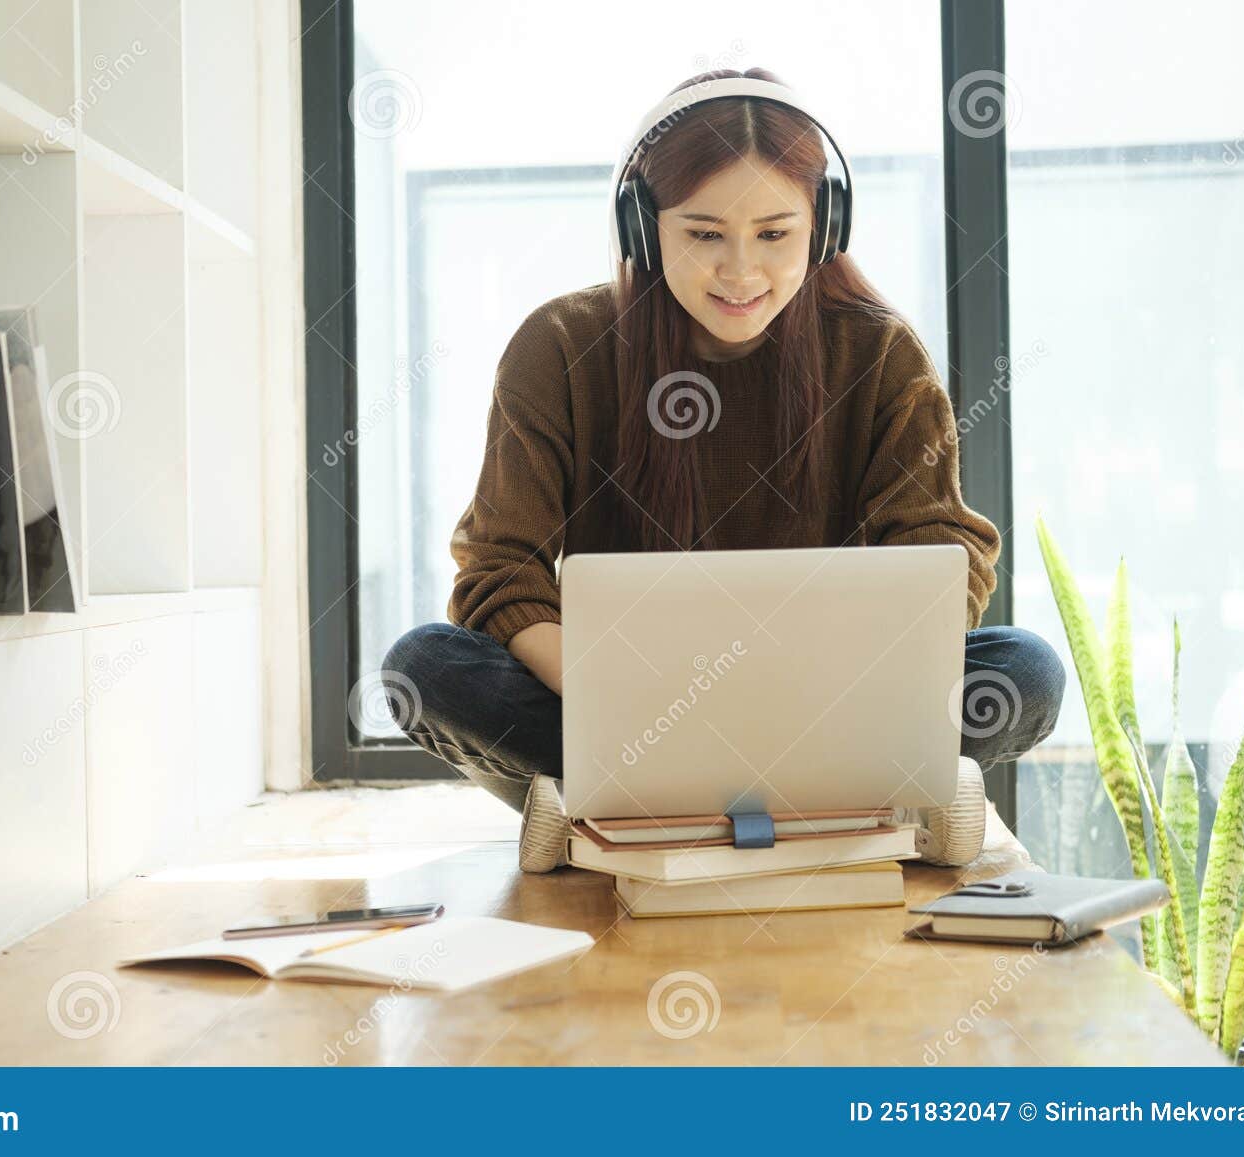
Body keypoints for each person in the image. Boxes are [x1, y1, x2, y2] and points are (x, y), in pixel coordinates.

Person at [383, 67, 1066, 872]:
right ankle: (844, 807)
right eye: (703, 234)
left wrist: (806, 699)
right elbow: (501, 572)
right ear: (645, 225)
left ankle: (610, 810)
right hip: (622, 715)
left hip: (830, 712)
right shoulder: (561, 347)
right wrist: (636, 704)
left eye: (775, 234)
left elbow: (942, 555)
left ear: (825, 225)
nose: (741, 272)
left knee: (1025, 668)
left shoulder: (878, 353)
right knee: (425, 666)